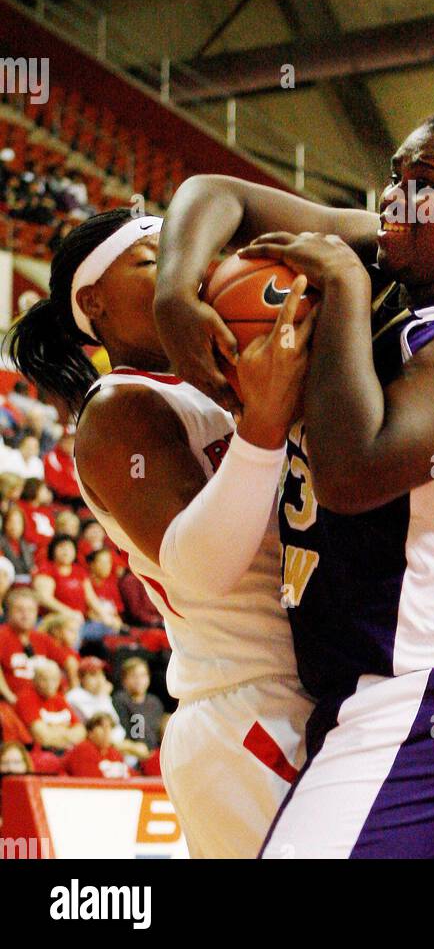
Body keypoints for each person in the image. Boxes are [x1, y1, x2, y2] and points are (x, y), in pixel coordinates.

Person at [156, 101, 434, 858]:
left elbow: (351, 473)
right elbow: (215, 191)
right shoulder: (391, 255)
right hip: (354, 682)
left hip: (426, 689)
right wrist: (175, 291)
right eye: (393, 179)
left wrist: (347, 290)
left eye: (421, 182)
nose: (393, 199)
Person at [4, 207, 316, 858]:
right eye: (153, 262)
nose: (185, 272)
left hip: (303, 686)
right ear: (96, 303)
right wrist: (262, 422)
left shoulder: (218, 384)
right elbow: (202, 567)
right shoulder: (120, 409)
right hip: (245, 710)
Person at [0, 588, 79, 701]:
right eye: (19, 610)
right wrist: (9, 697)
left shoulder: (42, 638)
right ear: (8, 612)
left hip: (46, 701)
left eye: (30, 610)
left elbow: (69, 661)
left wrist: (72, 691)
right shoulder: (2, 636)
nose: (25, 615)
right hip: (15, 701)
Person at [67, 656, 147, 762]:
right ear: (81, 679)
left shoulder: (103, 697)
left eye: (101, 674)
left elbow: (116, 728)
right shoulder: (75, 696)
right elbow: (99, 729)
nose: (99, 679)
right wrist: (131, 747)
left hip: (116, 749)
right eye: (93, 675)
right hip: (91, 751)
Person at [16, 659, 85, 755]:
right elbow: (42, 738)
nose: (50, 684)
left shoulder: (59, 698)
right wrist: (67, 732)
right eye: (44, 679)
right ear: (35, 680)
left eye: (54, 679)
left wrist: (53, 732)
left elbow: (81, 731)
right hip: (42, 754)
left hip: (66, 752)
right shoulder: (26, 698)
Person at [62, 713, 129, 780]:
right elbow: (90, 782)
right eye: (102, 727)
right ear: (90, 732)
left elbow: (129, 776)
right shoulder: (83, 749)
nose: (107, 731)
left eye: (110, 727)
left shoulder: (114, 753)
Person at [0, 504, 36, 579]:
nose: (14, 526)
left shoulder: (26, 545)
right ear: (5, 524)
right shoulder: (1, 542)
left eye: (18, 522)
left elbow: (31, 568)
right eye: (11, 522)